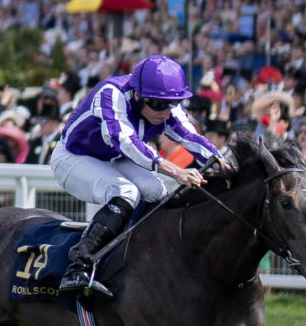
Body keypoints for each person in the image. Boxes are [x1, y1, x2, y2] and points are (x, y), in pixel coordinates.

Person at [49, 55, 224, 300]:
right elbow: (126, 142)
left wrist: (223, 164)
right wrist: (176, 171)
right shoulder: (111, 94)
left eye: (173, 103)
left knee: (157, 192)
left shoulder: (164, 105)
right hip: (74, 156)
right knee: (125, 192)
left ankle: (143, 260)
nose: (166, 112)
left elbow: (191, 136)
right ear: (139, 95)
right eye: (159, 105)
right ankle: (78, 266)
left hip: (113, 156)